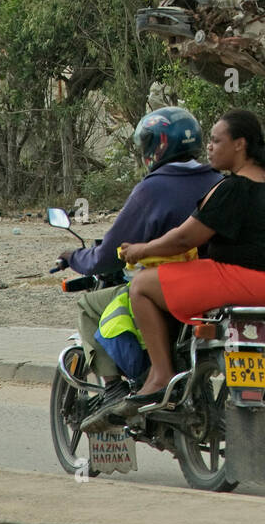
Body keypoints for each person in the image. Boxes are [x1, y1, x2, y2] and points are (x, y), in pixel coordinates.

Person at [118, 109, 265, 408]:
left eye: (217, 141)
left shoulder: (233, 188)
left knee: (141, 286)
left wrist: (142, 249)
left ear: (240, 144)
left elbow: (184, 238)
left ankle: (161, 375)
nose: (209, 147)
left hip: (237, 280)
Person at [70, 106, 221, 425]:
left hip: (170, 290)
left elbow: (106, 256)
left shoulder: (152, 189)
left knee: (88, 305)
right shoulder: (219, 180)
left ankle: (113, 388)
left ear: (161, 145)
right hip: (217, 290)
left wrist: (73, 257)